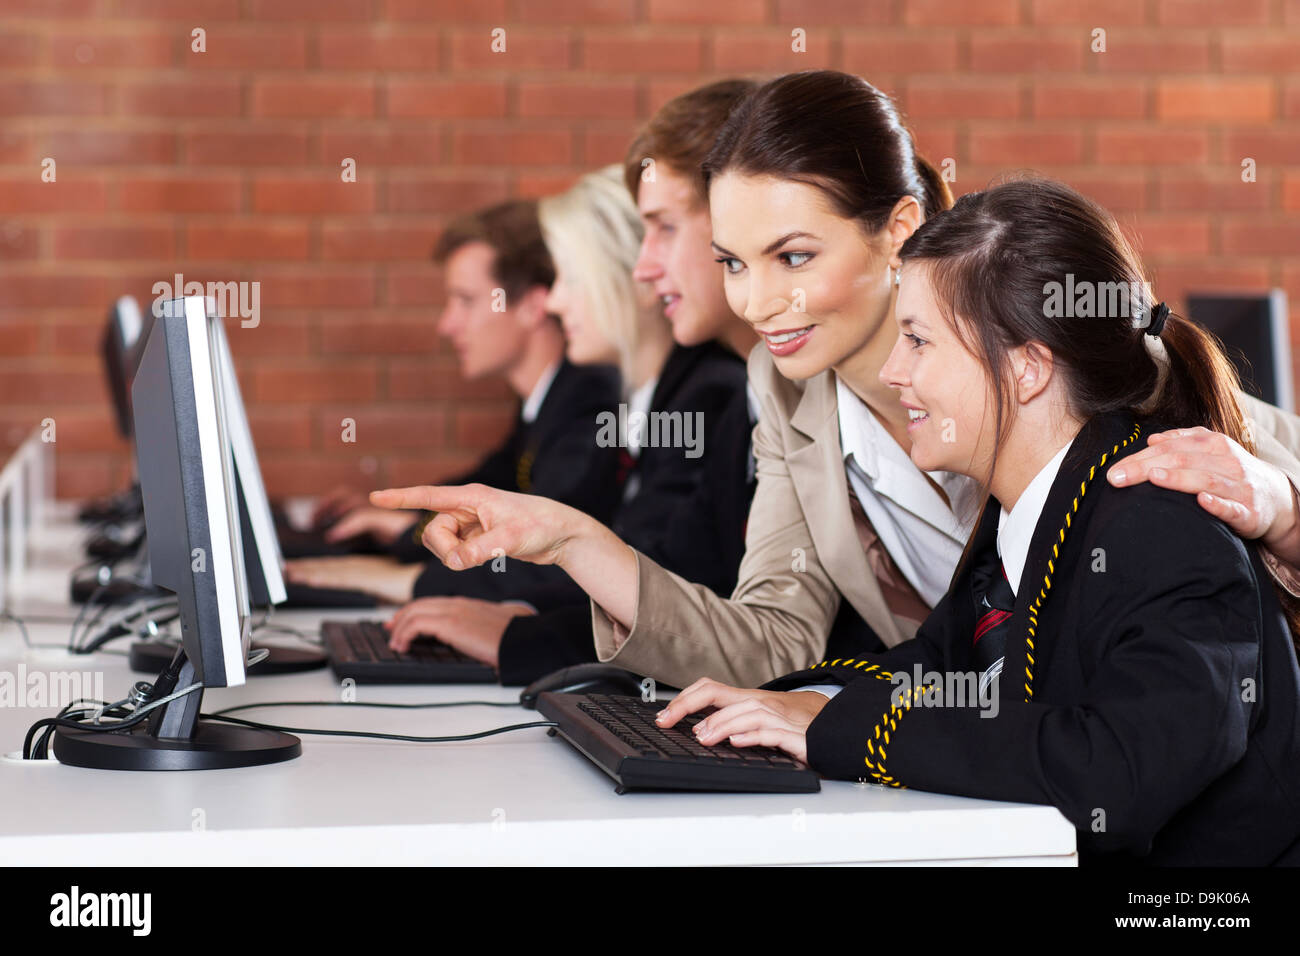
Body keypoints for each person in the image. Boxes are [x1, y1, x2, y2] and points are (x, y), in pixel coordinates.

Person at [369, 70, 1300, 690]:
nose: (759, 302)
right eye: (734, 261)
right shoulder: (783, 390)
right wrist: (571, 543)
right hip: (1005, 754)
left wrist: (1282, 505)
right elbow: (774, 638)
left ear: (898, 230)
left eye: (795, 255)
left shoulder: (1039, 331)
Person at [652, 178, 1300, 866]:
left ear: (1026, 369)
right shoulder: (1032, 507)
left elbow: (1122, 769)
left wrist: (844, 731)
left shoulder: (1154, 524)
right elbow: (939, 666)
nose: (895, 372)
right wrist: (788, 706)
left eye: (918, 341)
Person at [384, 80, 762, 684]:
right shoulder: (687, 394)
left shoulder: (711, 393)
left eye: (566, 275)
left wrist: (516, 634)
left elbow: (679, 586)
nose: (555, 301)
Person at [284, 199, 622, 601]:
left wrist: (407, 542)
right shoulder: (547, 400)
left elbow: (540, 556)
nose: (447, 325)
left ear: (533, 305)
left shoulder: (589, 404)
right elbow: (493, 482)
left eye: (466, 300)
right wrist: (402, 517)